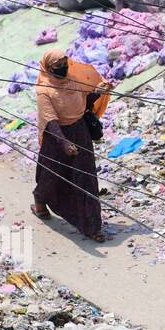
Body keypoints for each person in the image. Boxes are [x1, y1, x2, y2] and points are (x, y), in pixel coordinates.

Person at [31, 50, 111, 242]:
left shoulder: (73, 80)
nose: (63, 69)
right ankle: (40, 202)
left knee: (86, 178)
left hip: (80, 131)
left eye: (65, 64)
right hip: (57, 138)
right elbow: (50, 120)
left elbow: (82, 103)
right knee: (51, 175)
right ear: (48, 68)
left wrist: (97, 93)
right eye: (58, 66)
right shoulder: (44, 90)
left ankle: (93, 226)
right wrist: (64, 143)